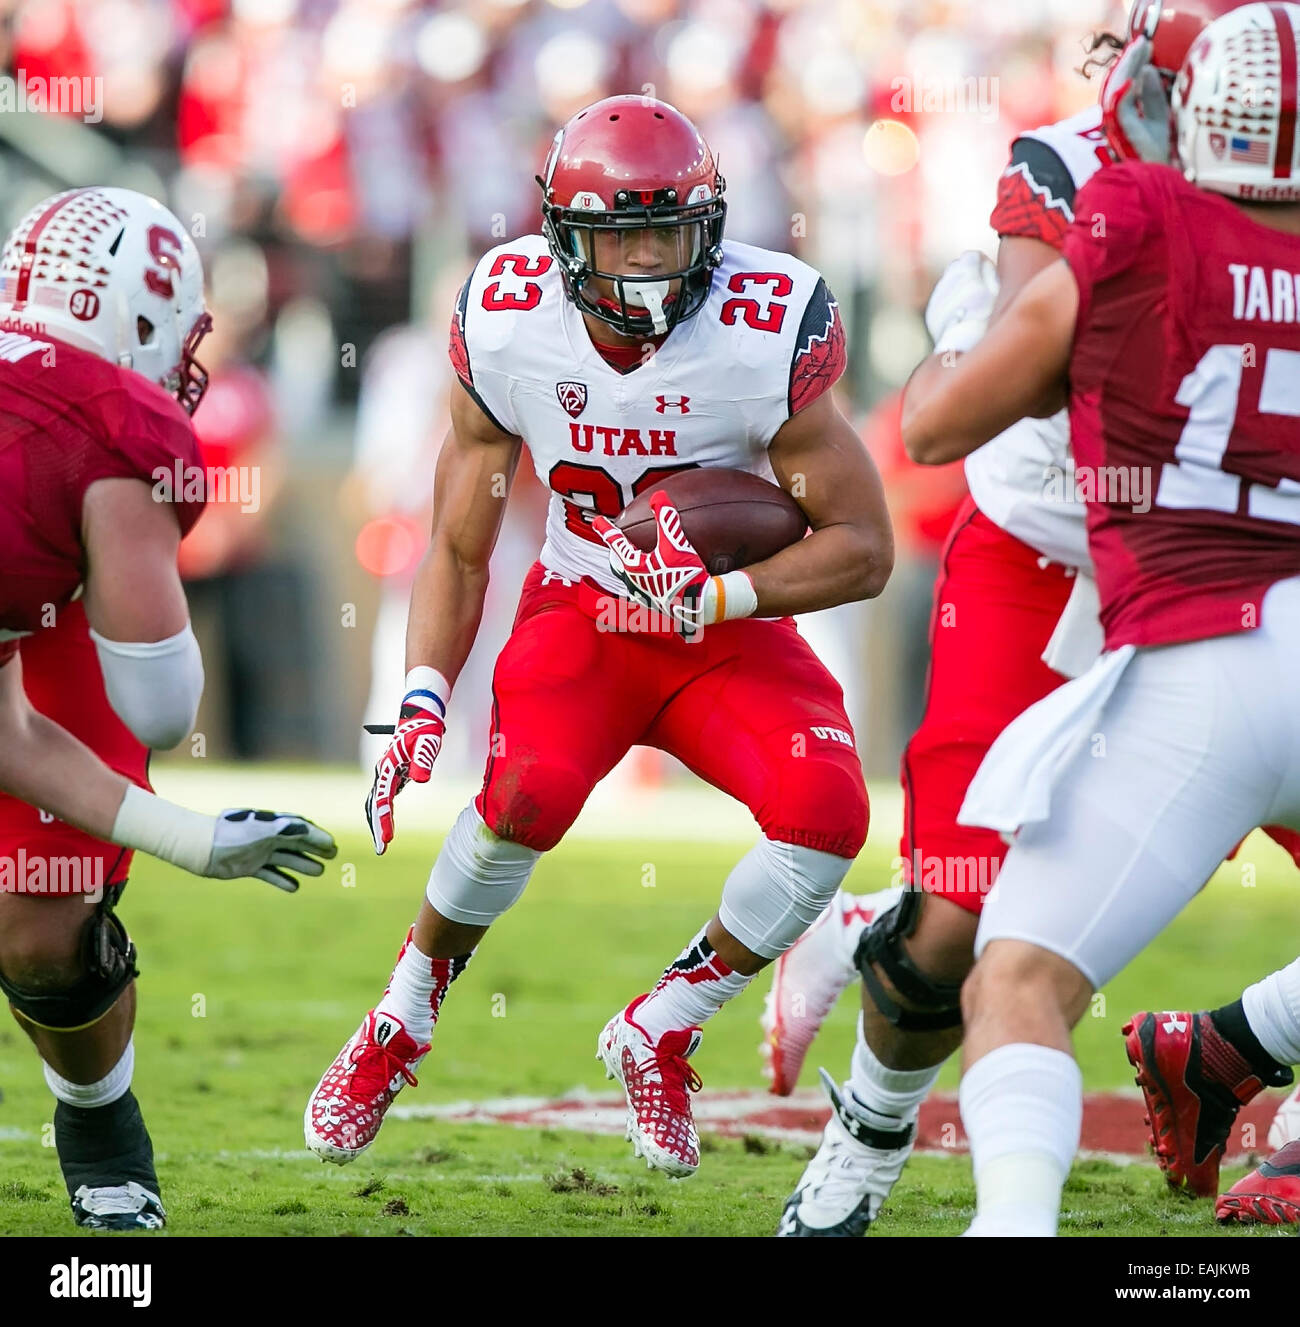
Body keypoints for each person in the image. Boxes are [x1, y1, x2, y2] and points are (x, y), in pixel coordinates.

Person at [305, 95, 894, 1179]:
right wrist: (426, 691)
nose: (647, 264)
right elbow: (459, 543)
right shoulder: (505, 314)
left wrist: (720, 596)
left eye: (669, 233)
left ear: (709, 227)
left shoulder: (768, 323)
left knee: (827, 815)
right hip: (585, 606)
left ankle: (662, 1025)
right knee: (524, 793)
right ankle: (399, 1019)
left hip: (715, 621)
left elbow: (863, 546)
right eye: (619, 236)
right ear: (560, 241)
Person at [772, 0, 1276, 1238]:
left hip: (1235, 583)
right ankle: (874, 1127)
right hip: (1056, 556)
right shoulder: (1080, 176)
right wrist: (978, 342)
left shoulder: (1237, 194)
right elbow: (959, 412)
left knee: (1052, 918)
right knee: (956, 917)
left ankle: (1241, 1054)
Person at [0, 186, 337, 1230]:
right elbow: (162, 703)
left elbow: (38, 728)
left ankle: (96, 1118)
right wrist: (189, 836)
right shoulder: (114, 424)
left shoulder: (86, 433)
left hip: (47, 591)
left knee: (41, 924)